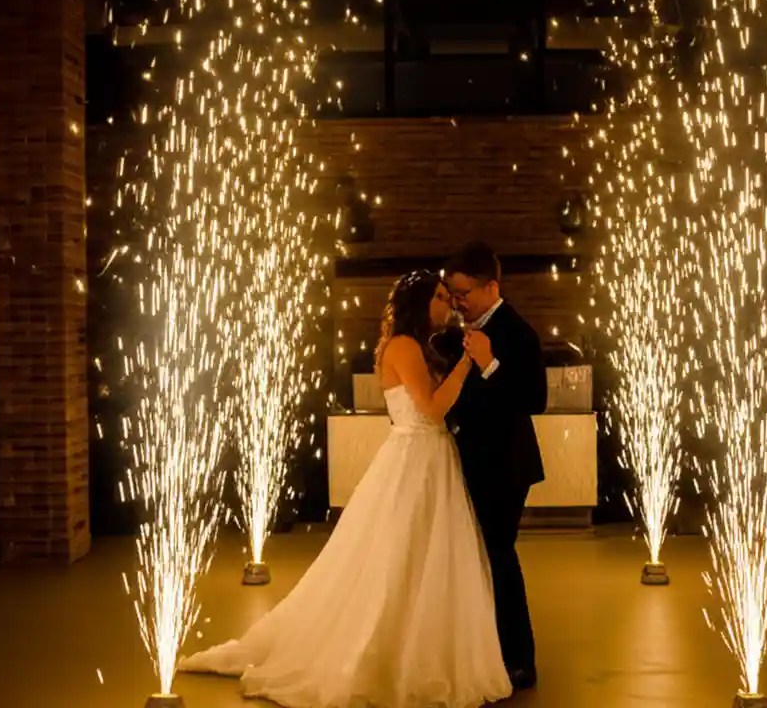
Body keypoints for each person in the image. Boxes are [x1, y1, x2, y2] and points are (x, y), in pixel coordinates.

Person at [177, 270, 512, 708]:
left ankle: (414, 650)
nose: (446, 304)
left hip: (430, 458)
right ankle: (387, 653)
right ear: (418, 302)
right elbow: (431, 410)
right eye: (438, 296)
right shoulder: (404, 346)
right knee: (401, 554)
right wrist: (468, 364)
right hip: (418, 457)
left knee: (423, 556)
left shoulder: (416, 345)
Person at [441, 241, 547, 691]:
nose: (457, 302)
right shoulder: (460, 331)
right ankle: (485, 650)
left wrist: (489, 364)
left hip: (504, 465)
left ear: (491, 287)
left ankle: (519, 660)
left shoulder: (518, 333)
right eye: (453, 293)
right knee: (479, 557)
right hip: (472, 461)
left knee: (499, 556)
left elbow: (535, 400)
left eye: (464, 293)